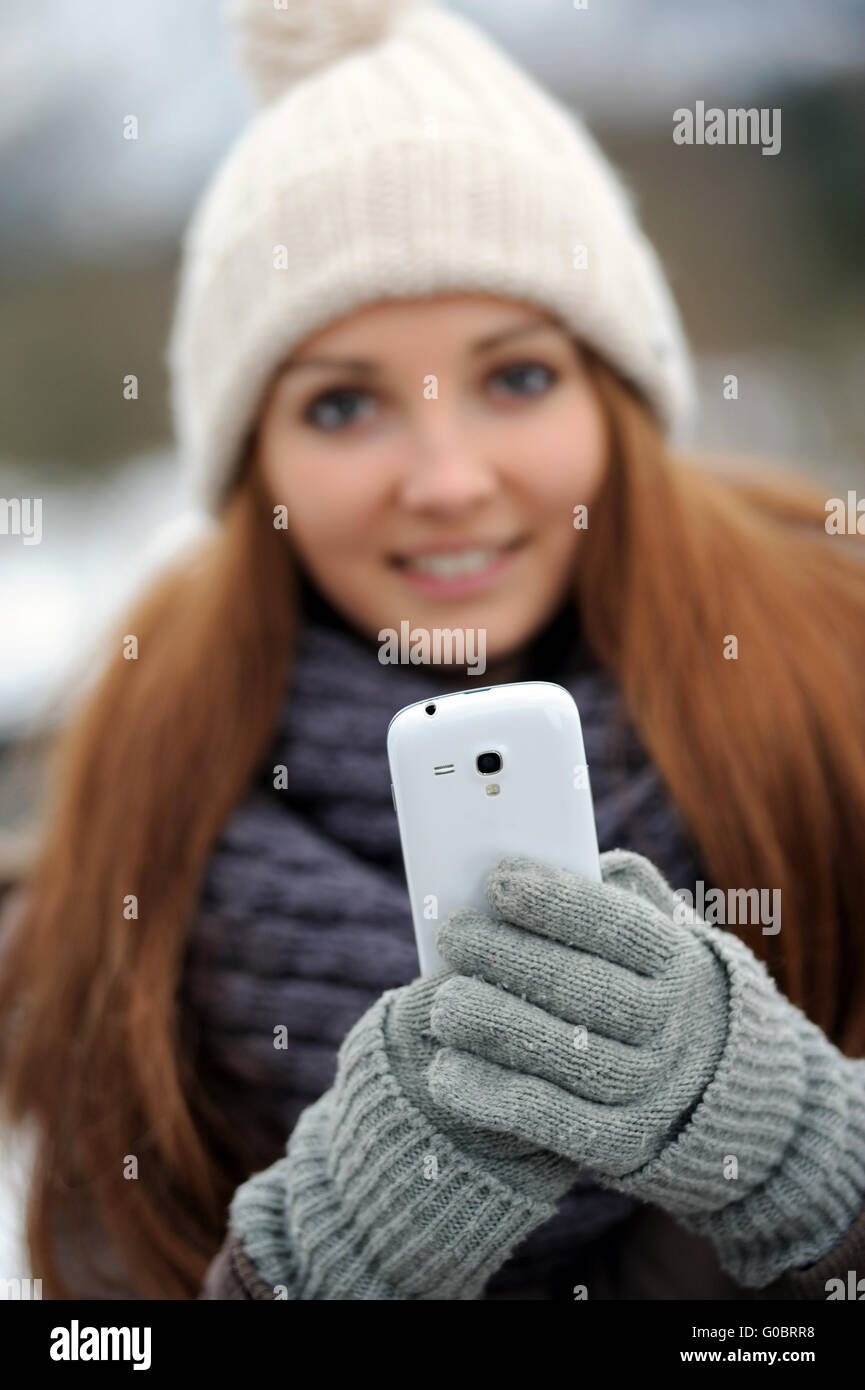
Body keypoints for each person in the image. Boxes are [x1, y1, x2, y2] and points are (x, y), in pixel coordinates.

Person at [2, 0, 865, 1302]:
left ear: (615, 400)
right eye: (342, 403)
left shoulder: (838, 690)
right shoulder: (123, 830)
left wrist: (806, 1158)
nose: (447, 478)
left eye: (514, 377)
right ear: (256, 468)